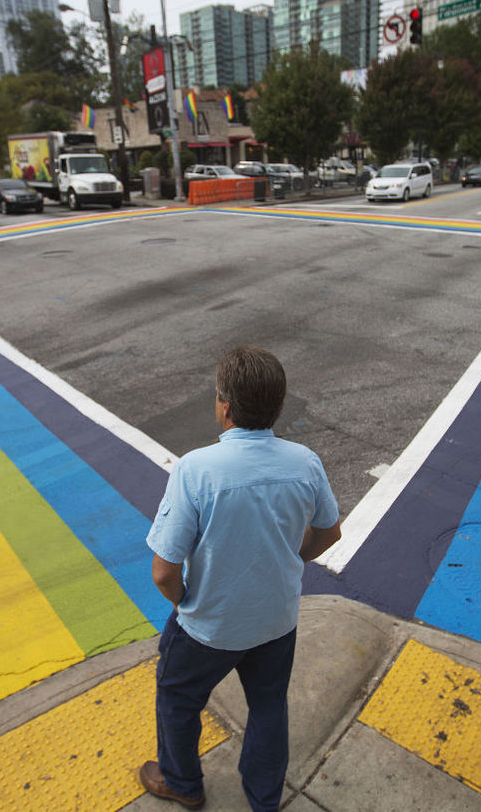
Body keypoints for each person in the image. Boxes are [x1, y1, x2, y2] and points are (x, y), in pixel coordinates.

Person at [141, 345, 342, 811]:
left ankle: (182, 782)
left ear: (225, 407)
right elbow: (330, 531)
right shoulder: (305, 462)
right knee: (269, 707)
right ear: (277, 406)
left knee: (176, 696)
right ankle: (264, 800)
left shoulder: (196, 469)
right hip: (276, 620)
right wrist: (293, 559)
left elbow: (163, 571)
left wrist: (183, 601)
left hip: (209, 625)